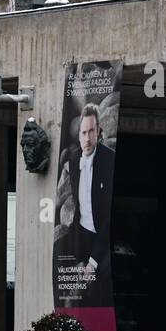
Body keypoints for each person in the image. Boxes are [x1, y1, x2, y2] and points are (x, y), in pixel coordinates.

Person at [59, 103, 115, 280]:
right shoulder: (75, 160)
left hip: (102, 236)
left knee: (98, 283)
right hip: (81, 232)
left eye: (91, 131)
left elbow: (108, 218)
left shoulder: (109, 160)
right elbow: (77, 204)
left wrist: (93, 262)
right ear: (79, 135)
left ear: (98, 131)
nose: (88, 138)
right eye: (84, 133)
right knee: (56, 254)